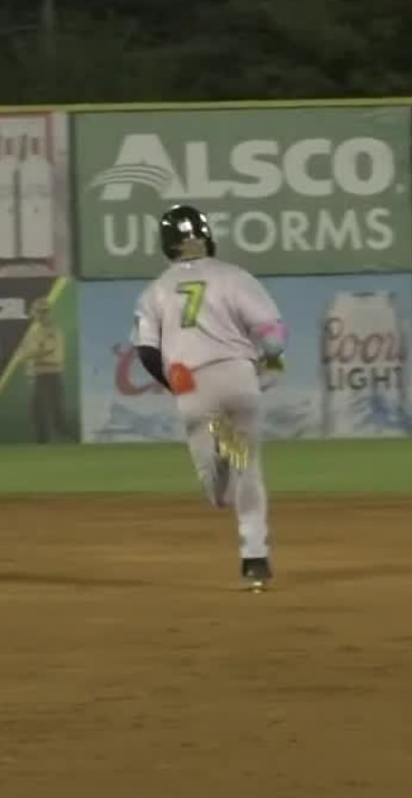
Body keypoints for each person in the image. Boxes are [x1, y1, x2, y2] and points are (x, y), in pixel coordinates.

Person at [130, 205, 286, 592]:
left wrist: (172, 383)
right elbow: (272, 334)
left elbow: (147, 352)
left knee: (218, 494)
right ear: (207, 237)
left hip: (193, 385)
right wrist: (271, 360)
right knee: (248, 468)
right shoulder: (235, 277)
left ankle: (221, 450)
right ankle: (255, 560)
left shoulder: (156, 290)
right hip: (238, 377)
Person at [19, 297, 74, 442]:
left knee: (55, 414)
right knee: (38, 412)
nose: (42, 314)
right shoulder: (34, 331)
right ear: (34, 313)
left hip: (51, 373)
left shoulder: (52, 330)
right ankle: (43, 442)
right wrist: (32, 352)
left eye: (45, 311)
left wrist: (33, 351)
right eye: (39, 312)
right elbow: (27, 353)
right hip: (40, 374)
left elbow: (45, 350)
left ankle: (70, 440)